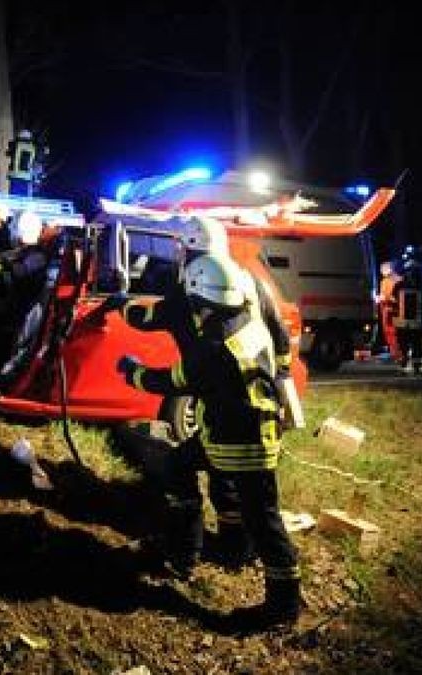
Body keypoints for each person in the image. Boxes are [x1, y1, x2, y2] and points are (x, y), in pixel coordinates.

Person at [115, 252, 301, 631]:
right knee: (180, 466)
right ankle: (190, 553)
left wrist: (131, 371)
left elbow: (170, 381)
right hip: (243, 430)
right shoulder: (246, 321)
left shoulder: (214, 343)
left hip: (242, 441)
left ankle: (283, 603)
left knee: (263, 520)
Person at [389, 258, 422, 374]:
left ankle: (418, 366)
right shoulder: (398, 286)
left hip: (417, 321)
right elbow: (393, 303)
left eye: (413, 270)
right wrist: (393, 317)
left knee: (417, 345)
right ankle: (404, 366)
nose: (411, 273)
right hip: (402, 322)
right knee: (403, 345)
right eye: (409, 270)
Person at [377, 261, 402, 363]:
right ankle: (395, 354)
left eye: (383, 269)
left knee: (394, 334)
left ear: (390, 269)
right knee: (389, 334)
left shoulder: (398, 280)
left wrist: (384, 298)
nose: (381, 271)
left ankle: (398, 355)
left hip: (393, 310)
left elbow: (396, 297)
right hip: (385, 311)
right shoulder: (384, 281)